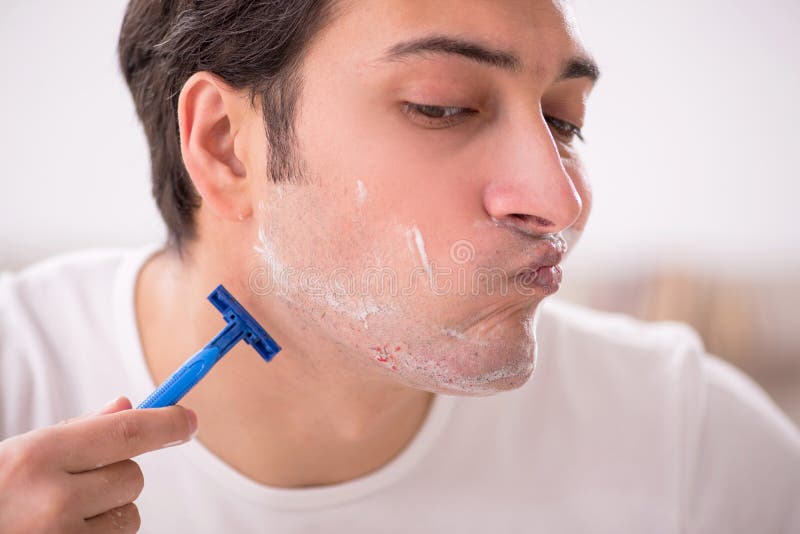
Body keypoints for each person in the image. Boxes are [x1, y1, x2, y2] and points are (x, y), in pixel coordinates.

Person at [1, 0, 798, 532]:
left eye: (564, 121)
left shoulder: (688, 441)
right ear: (224, 145)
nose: (558, 201)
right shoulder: (16, 380)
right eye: (443, 106)